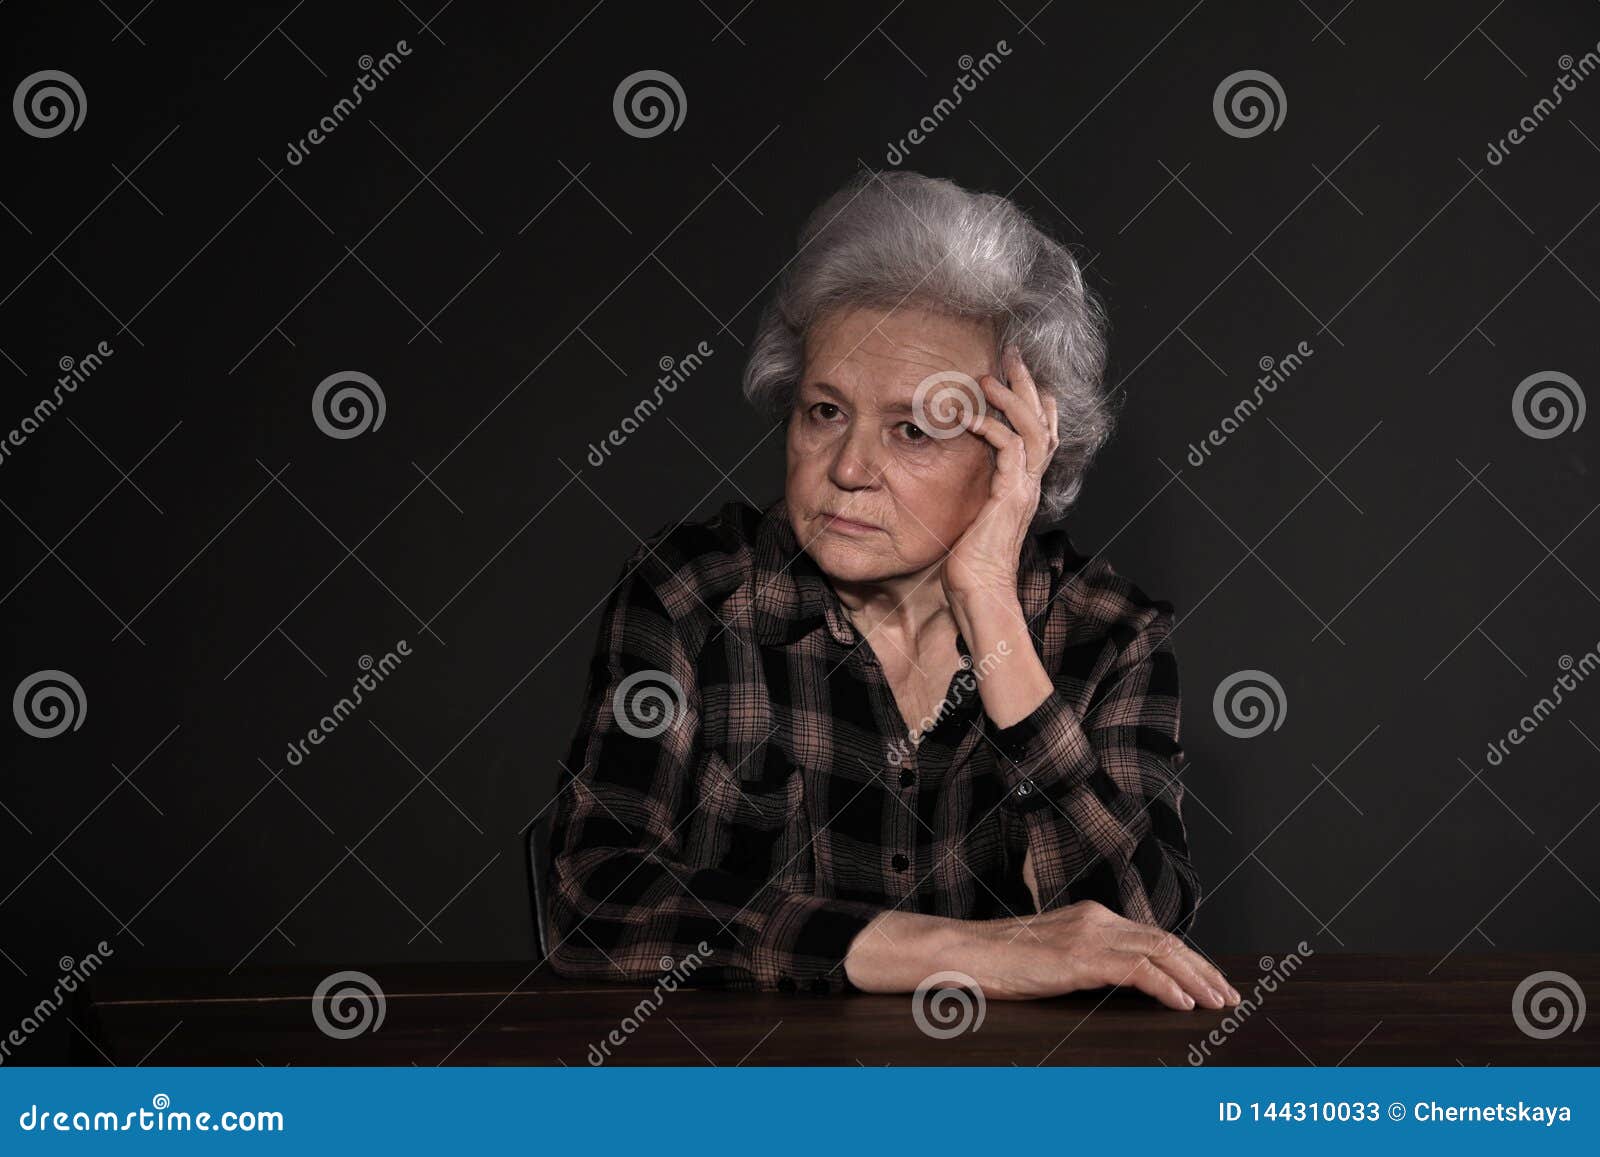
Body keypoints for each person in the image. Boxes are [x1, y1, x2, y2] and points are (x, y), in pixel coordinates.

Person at [544, 170, 1239, 1011]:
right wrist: (958, 951)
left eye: (912, 429)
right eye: (825, 412)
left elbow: (1140, 942)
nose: (847, 468)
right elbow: (592, 899)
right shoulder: (692, 593)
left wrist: (990, 604)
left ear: (1018, 450)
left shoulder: (1109, 633)